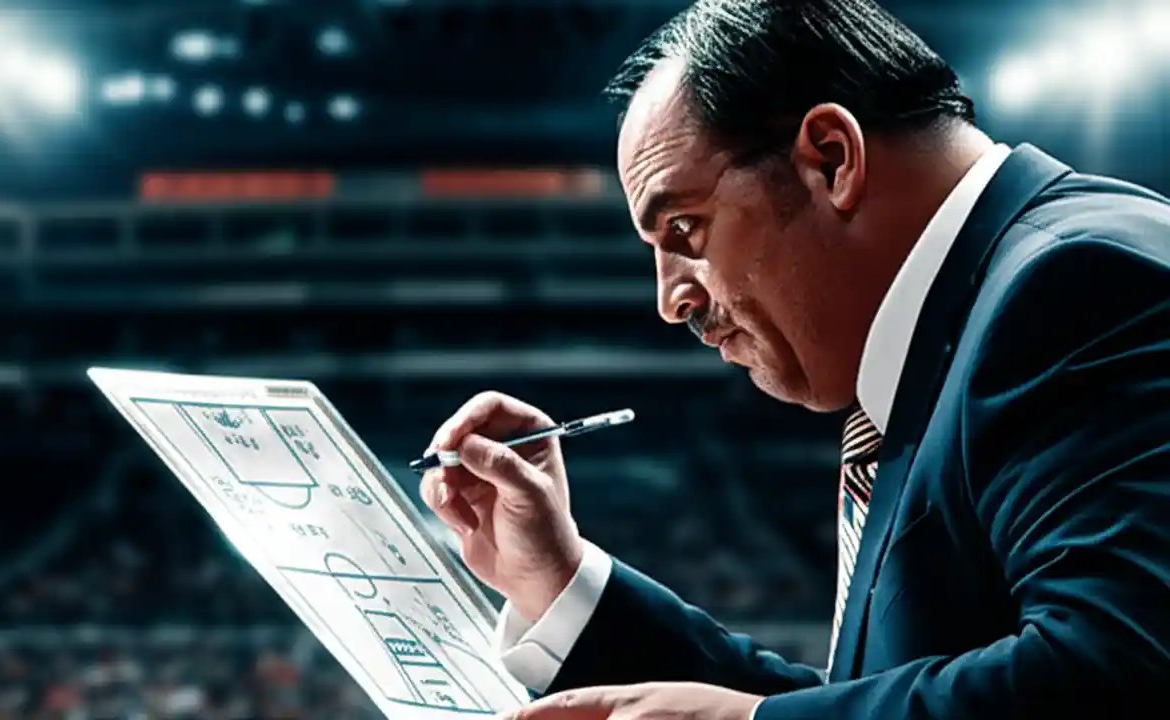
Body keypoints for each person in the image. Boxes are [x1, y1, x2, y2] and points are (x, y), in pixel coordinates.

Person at [420, 0, 1170, 717]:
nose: (670, 300)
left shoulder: (1078, 286)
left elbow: (1114, 678)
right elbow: (865, 699)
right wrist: (560, 584)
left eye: (684, 229)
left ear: (831, 159)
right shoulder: (965, 336)